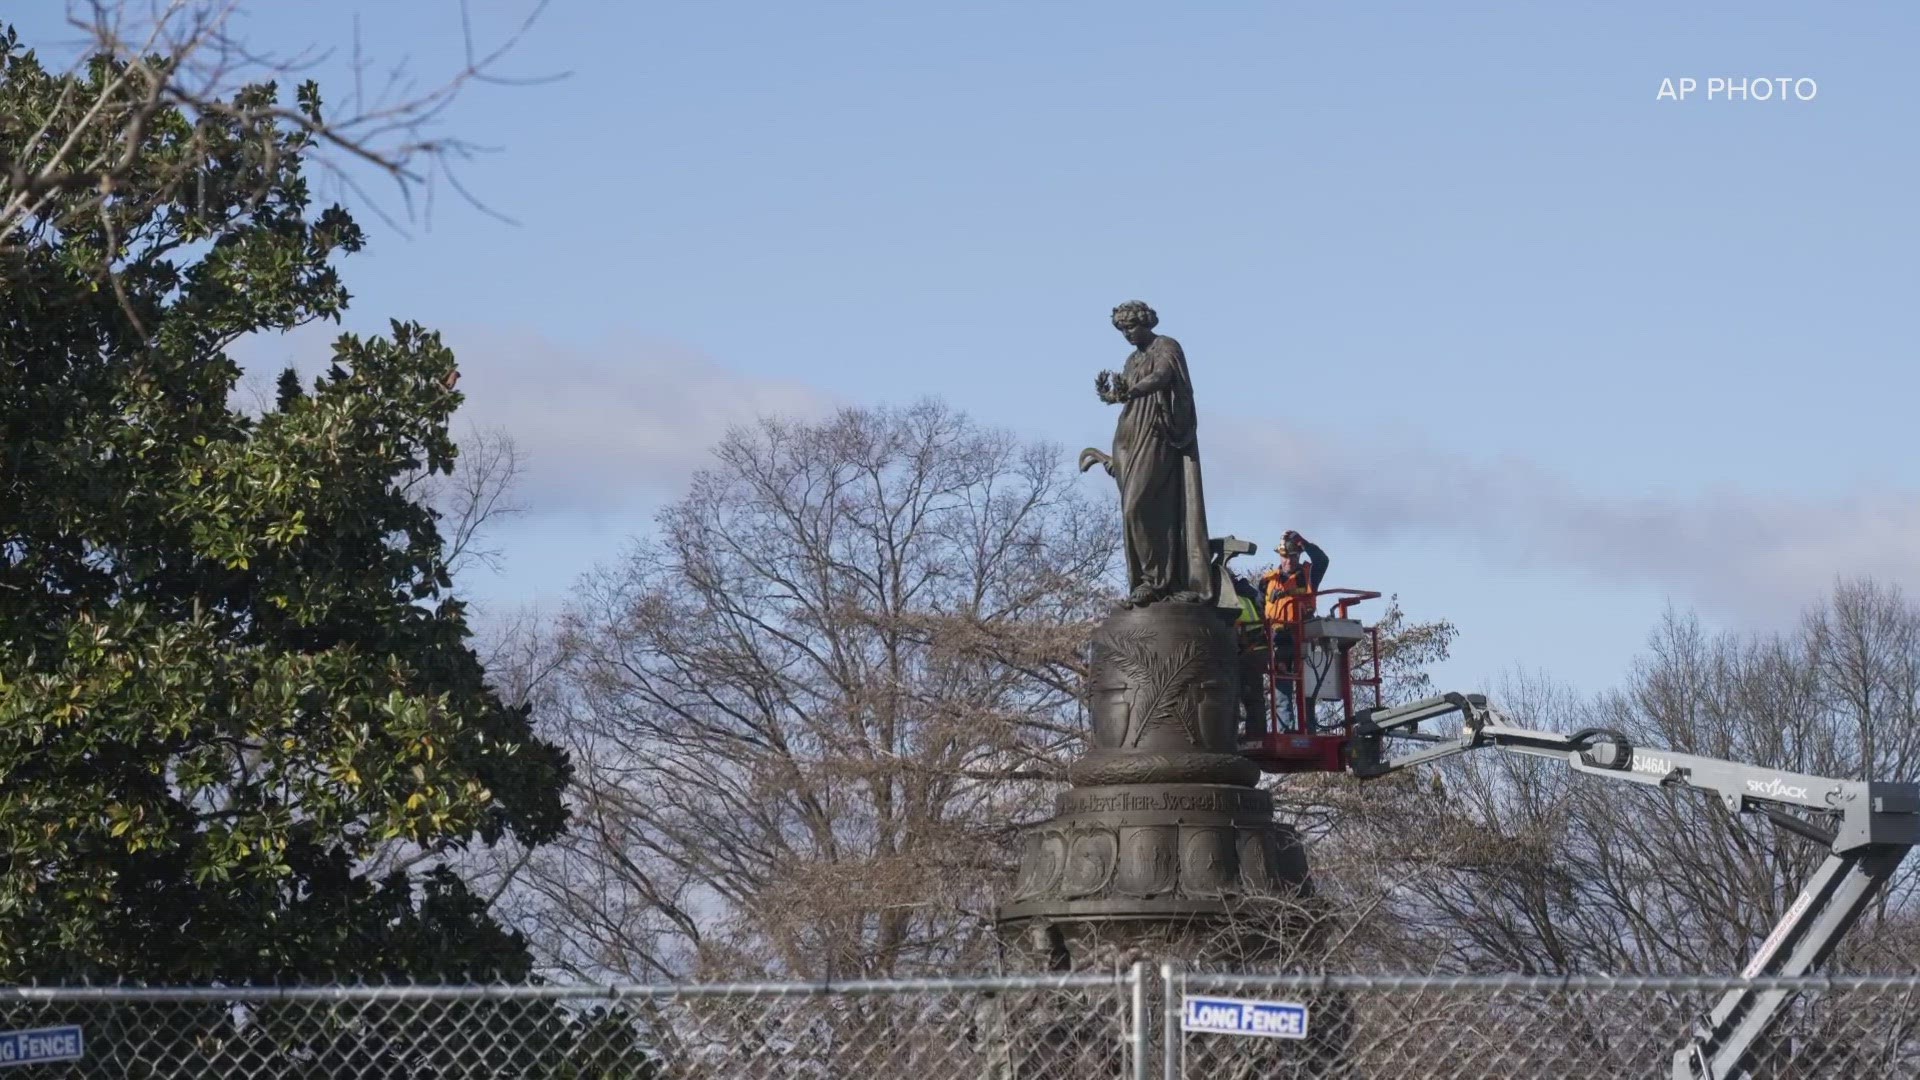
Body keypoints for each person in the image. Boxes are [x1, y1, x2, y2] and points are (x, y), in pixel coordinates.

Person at [1091, 301, 1212, 607]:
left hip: (1157, 433)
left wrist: (1129, 392)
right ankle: (1147, 582)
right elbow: (1127, 389)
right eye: (1122, 329)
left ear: (1146, 322)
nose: (1127, 334)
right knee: (1133, 511)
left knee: (1138, 506)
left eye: (1131, 326)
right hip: (1128, 433)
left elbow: (1161, 377)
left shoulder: (1166, 346)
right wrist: (1114, 394)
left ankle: (1157, 579)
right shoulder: (1132, 359)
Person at [1259, 531, 1330, 730]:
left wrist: (1303, 542)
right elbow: (1259, 610)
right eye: (1285, 556)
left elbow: (1322, 560)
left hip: (1303, 638)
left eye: (1293, 556)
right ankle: (1285, 731)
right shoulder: (1267, 581)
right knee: (1282, 691)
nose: (1288, 560)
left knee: (1306, 690)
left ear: (1298, 556)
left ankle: (1309, 730)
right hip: (1279, 640)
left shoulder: (1309, 576)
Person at [1229, 572, 1270, 743]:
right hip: (1257, 650)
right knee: (1253, 697)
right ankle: (1255, 733)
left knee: (1233, 695)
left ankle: (1233, 734)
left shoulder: (1232, 599)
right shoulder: (1249, 593)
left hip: (1249, 651)